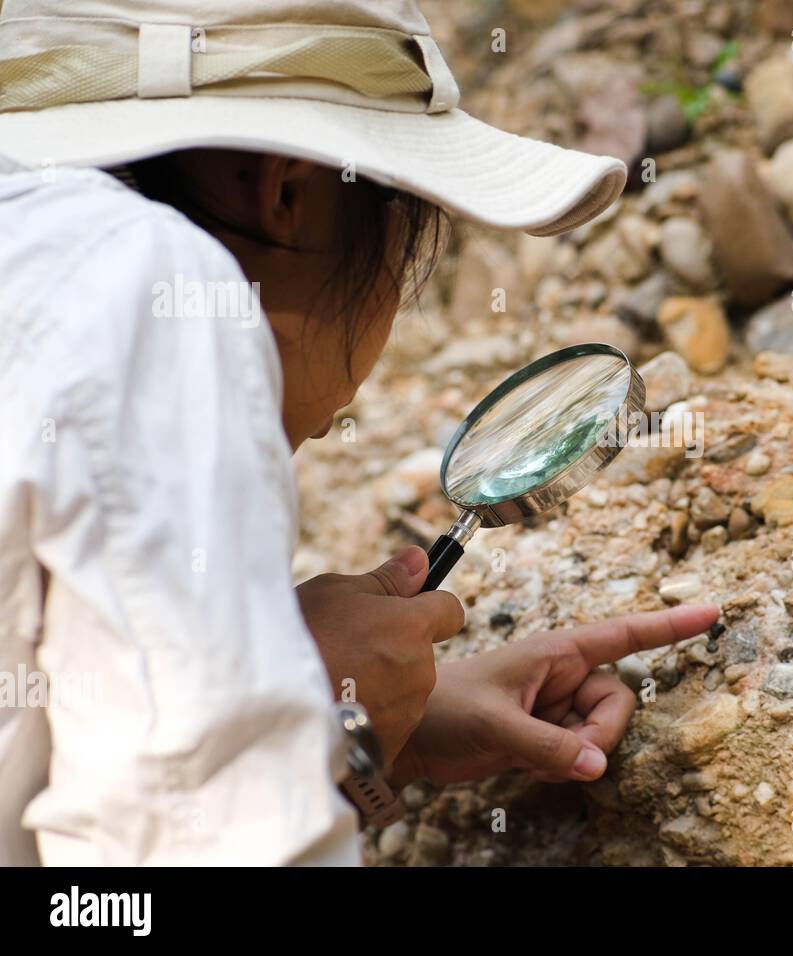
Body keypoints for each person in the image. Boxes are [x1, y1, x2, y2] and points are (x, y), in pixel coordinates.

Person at [0, 0, 719, 865]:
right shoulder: (149, 280)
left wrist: (299, 702)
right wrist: (304, 730)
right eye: (405, 245)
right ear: (289, 192)